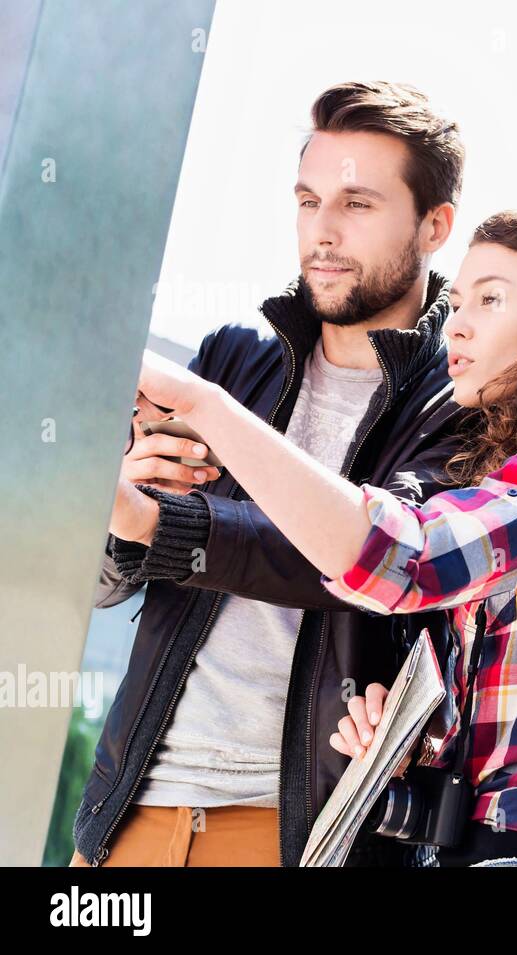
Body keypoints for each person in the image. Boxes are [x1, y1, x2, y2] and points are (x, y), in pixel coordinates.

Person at [132, 210, 517, 866]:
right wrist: (416, 736)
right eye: (457, 301)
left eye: (492, 298)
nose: (457, 322)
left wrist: (206, 406)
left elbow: (411, 560)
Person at [72, 81, 470, 867]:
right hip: (126, 819)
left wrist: (158, 522)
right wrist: (116, 520)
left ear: (435, 224)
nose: (322, 231)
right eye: (307, 199)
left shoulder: (458, 406)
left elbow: (358, 561)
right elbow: (102, 583)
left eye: (357, 204)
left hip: (297, 834)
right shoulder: (232, 362)